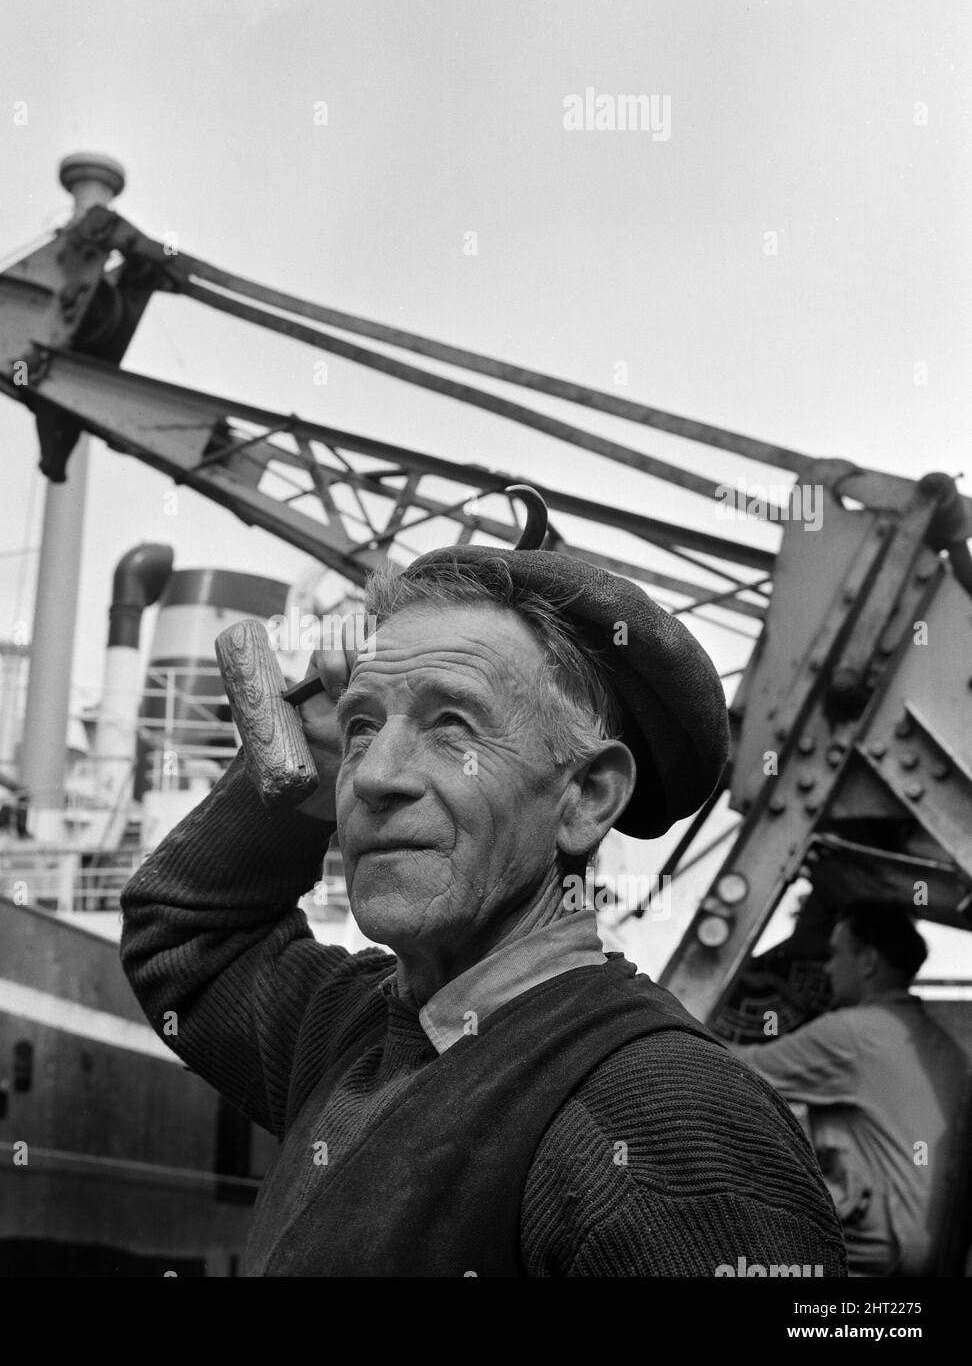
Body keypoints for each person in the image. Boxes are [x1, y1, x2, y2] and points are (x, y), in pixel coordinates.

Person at [121, 538, 846, 1276]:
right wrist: (293, 775)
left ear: (587, 799)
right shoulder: (356, 1032)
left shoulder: (672, 1130)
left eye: (451, 728)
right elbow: (188, 938)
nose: (374, 779)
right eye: (361, 729)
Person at [730, 904, 971, 1276]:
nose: (827, 968)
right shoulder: (943, 1045)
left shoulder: (853, 1033)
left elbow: (736, 1067)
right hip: (935, 1257)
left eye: (835, 953)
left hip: (876, 1259)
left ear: (868, 962)